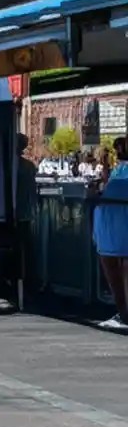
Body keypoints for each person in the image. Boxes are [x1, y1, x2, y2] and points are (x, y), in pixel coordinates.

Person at [92, 136, 128, 331]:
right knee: (114, 268)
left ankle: (125, 314)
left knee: (121, 269)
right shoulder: (119, 169)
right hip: (111, 226)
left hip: (118, 223)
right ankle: (123, 312)